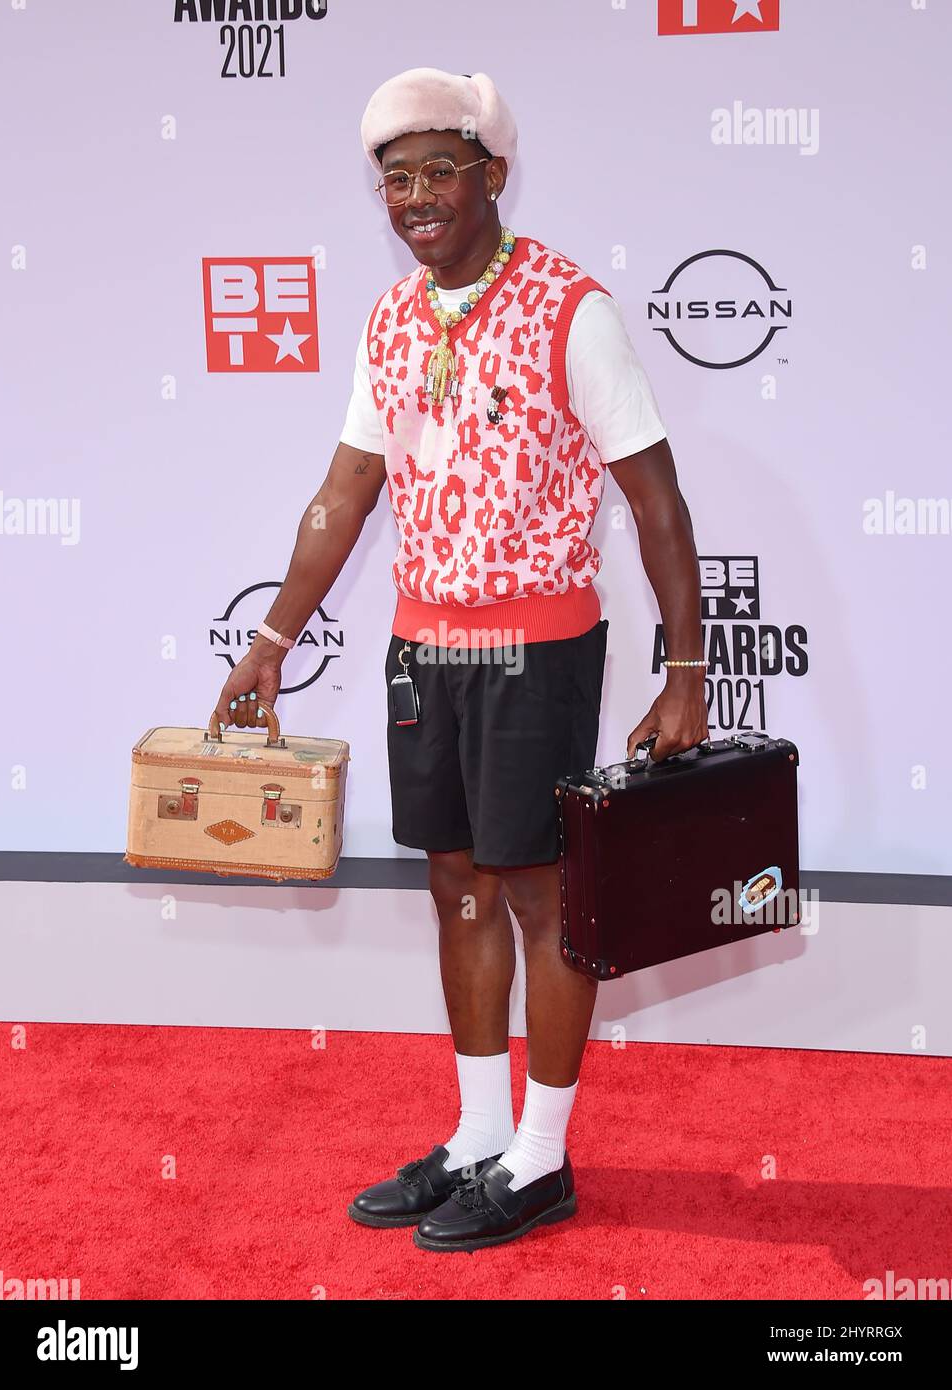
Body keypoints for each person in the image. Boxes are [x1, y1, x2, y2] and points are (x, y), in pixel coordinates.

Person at [214, 67, 708, 1254]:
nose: (418, 195)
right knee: (457, 886)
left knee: (539, 893)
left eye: (442, 169)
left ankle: (542, 1157)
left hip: (535, 649)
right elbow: (345, 495)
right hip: (420, 646)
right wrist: (273, 636)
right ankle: (479, 1133)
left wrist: (684, 670)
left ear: (493, 173)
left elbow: (655, 498)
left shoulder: (567, 306)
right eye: (396, 179)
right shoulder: (390, 320)